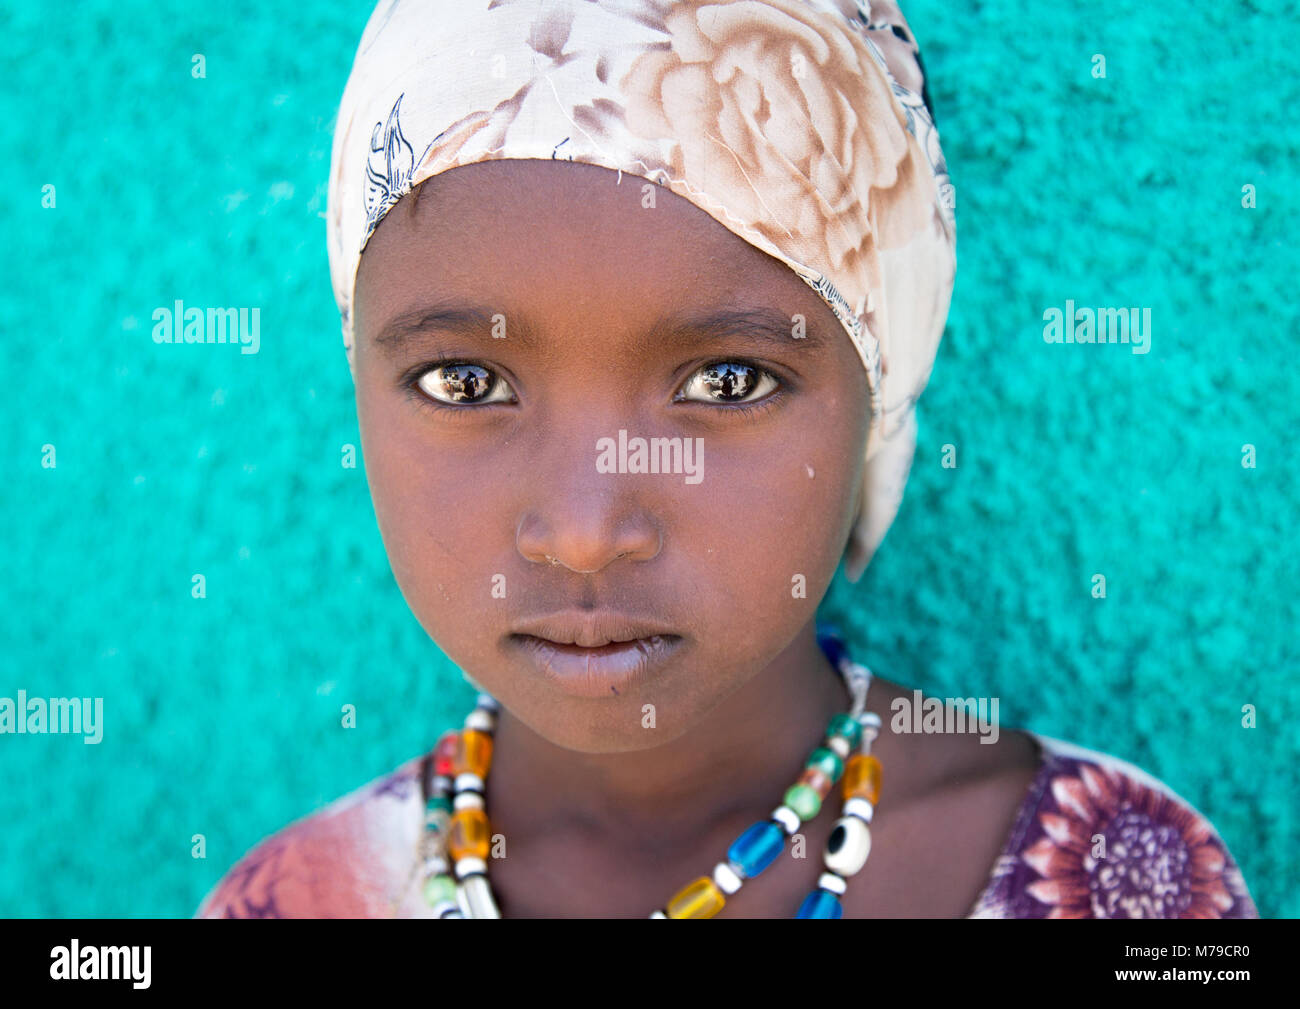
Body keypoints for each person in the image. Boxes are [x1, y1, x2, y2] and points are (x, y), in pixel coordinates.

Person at [196, 0, 1256, 918]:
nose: (581, 528)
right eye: (464, 382)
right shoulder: (292, 899)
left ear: (875, 400)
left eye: (727, 381)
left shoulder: (1123, 881)